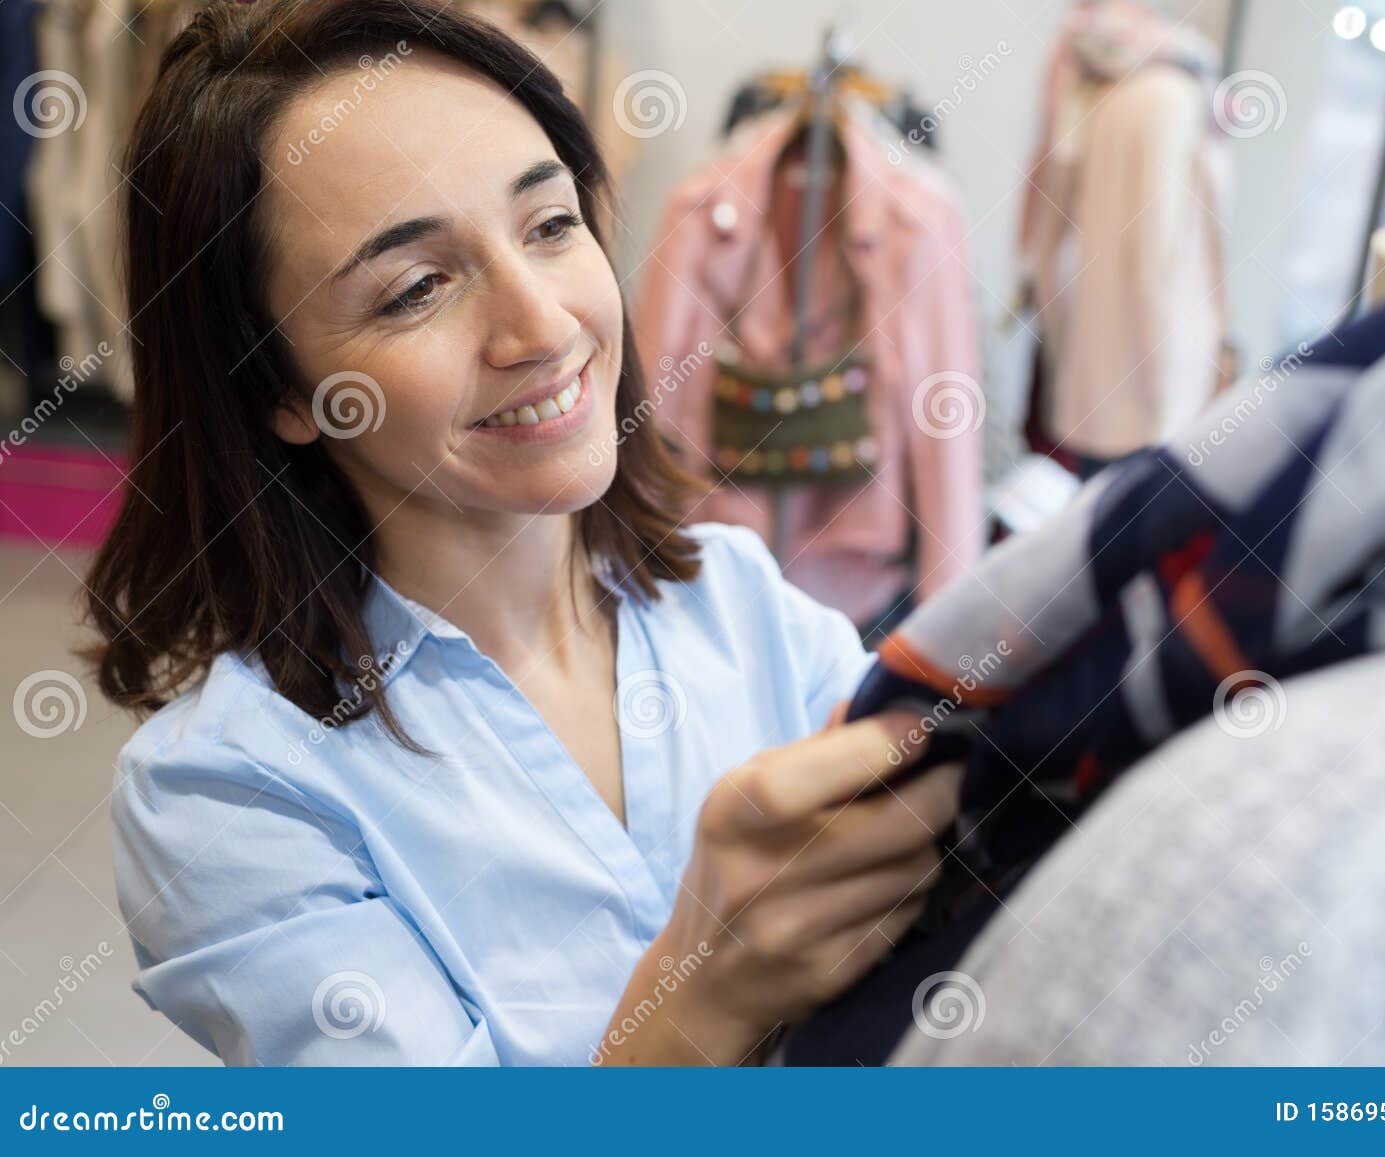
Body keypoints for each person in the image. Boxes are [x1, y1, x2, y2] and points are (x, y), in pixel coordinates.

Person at [83, 0, 958, 1066]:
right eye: (417, 288)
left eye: (549, 225)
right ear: (279, 387)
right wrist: (708, 991)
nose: (544, 326)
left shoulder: (742, 602)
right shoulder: (227, 791)